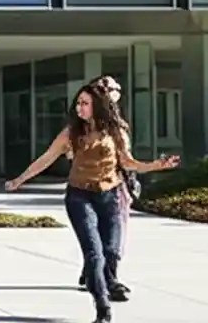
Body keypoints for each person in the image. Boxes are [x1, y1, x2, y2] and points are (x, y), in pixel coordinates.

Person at [6, 81, 179, 323]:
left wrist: (155, 166)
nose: (80, 108)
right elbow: (46, 158)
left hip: (110, 196)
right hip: (80, 197)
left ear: (97, 106)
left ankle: (104, 283)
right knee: (94, 254)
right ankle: (103, 307)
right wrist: (20, 179)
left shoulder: (116, 132)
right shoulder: (71, 133)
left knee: (111, 251)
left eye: (85, 103)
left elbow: (128, 162)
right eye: (78, 103)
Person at [72, 76, 137, 294]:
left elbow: (125, 159)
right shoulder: (85, 128)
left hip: (115, 184)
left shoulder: (116, 126)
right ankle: (100, 275)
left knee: (113, 234)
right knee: (94, 234)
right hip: (92, 185)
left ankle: (105, 275)